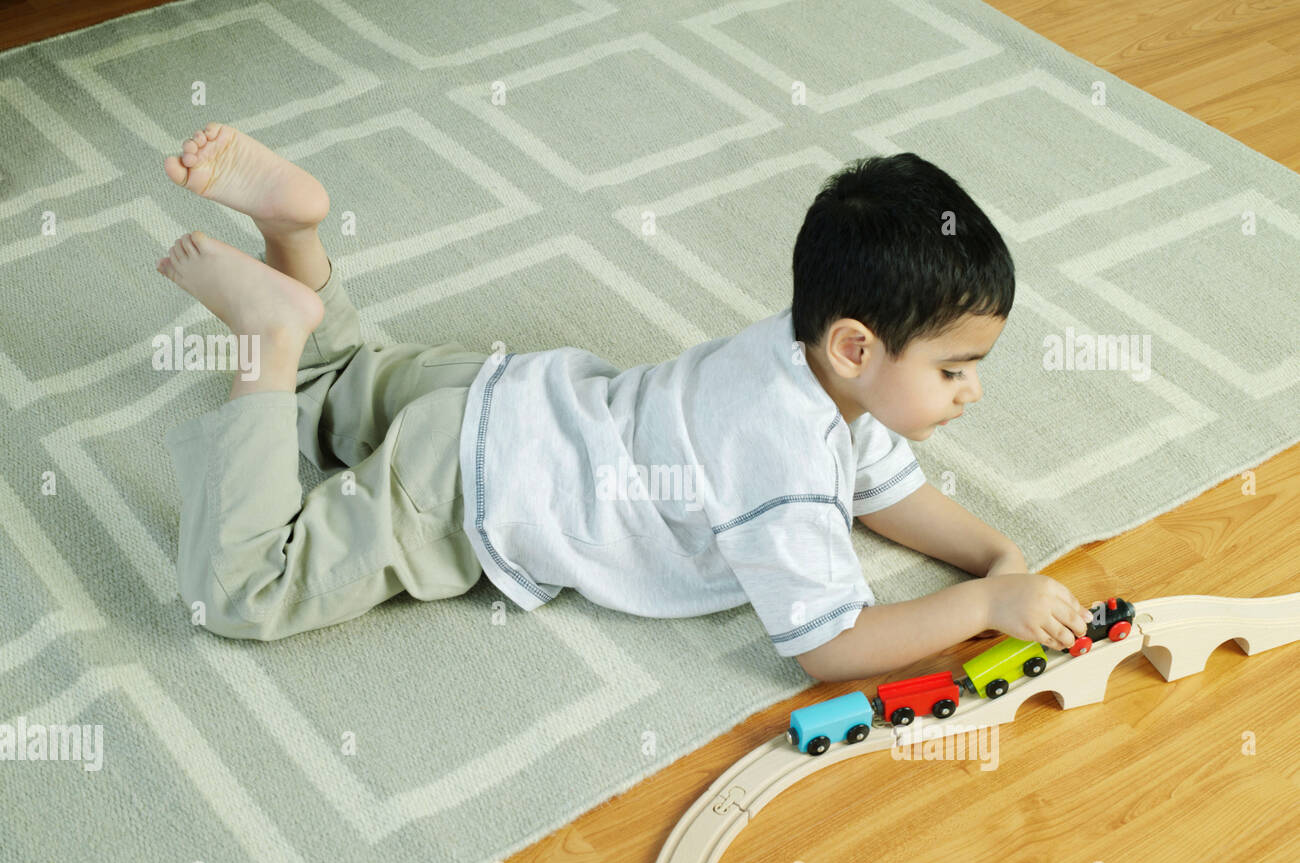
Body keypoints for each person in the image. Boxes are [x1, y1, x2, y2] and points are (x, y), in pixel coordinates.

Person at [159, 124, 1093, 680]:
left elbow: (885, 494)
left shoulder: (803, 353)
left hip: (500, 390)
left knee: (337, 383)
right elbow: (831, 645)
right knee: (243, 589)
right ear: (857, 346)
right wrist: (980, 609)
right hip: (467, 492)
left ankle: (294, 232)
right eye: (956, 369)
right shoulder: (787, 461)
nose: (972, 393)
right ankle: (266, 334)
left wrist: (995, 560)